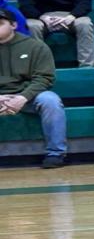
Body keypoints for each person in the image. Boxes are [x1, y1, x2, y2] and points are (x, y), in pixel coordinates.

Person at [0, 10, 68, 168]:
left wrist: (23, 97)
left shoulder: (35, 46)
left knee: (50, 100)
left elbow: (45, 78)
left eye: (1, 24)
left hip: (26, 96)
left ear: (14, 25)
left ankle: (56, 153)